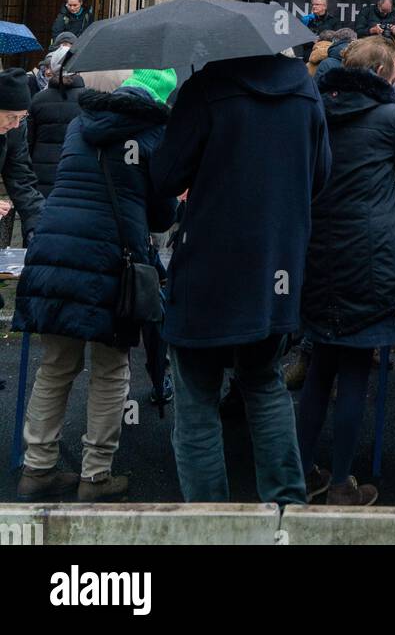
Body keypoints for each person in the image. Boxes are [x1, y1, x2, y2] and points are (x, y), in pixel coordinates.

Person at [149, 51, 330, 508]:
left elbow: (166, 176)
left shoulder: (206, 88)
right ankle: (287, 512)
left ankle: (210, 523)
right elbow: (321, 175)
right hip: (276, 267)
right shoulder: (305, 91)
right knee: (264, 383)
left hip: (208, 269)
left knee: (196, 400)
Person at [14, 70, 178, 501]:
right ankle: (95, 475)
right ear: (160, 99)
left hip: (55, 250)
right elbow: (161, 216)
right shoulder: (155, 135)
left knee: (55, 366)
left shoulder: (78, 124)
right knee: (109, 370)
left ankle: (37, 467)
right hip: (111, 261)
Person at [298, 38, 395, 505]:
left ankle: (300, 475)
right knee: (355, 371)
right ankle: (341, 483)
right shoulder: (386, 116)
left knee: (320, 366)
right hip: (369, 259)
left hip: (319, 252)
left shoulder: (314, 110)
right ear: (385, 72)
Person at [27, 46, 86, 199]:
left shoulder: (39, 99)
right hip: (76, 171)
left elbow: (28, 141)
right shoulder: (88, 100)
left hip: (40, 173)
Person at [0, 69, 43, 247]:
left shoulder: (16, 129)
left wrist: (40, 222)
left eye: (22, 116)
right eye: (11, 116)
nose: (16, 123)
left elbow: (21, 177)